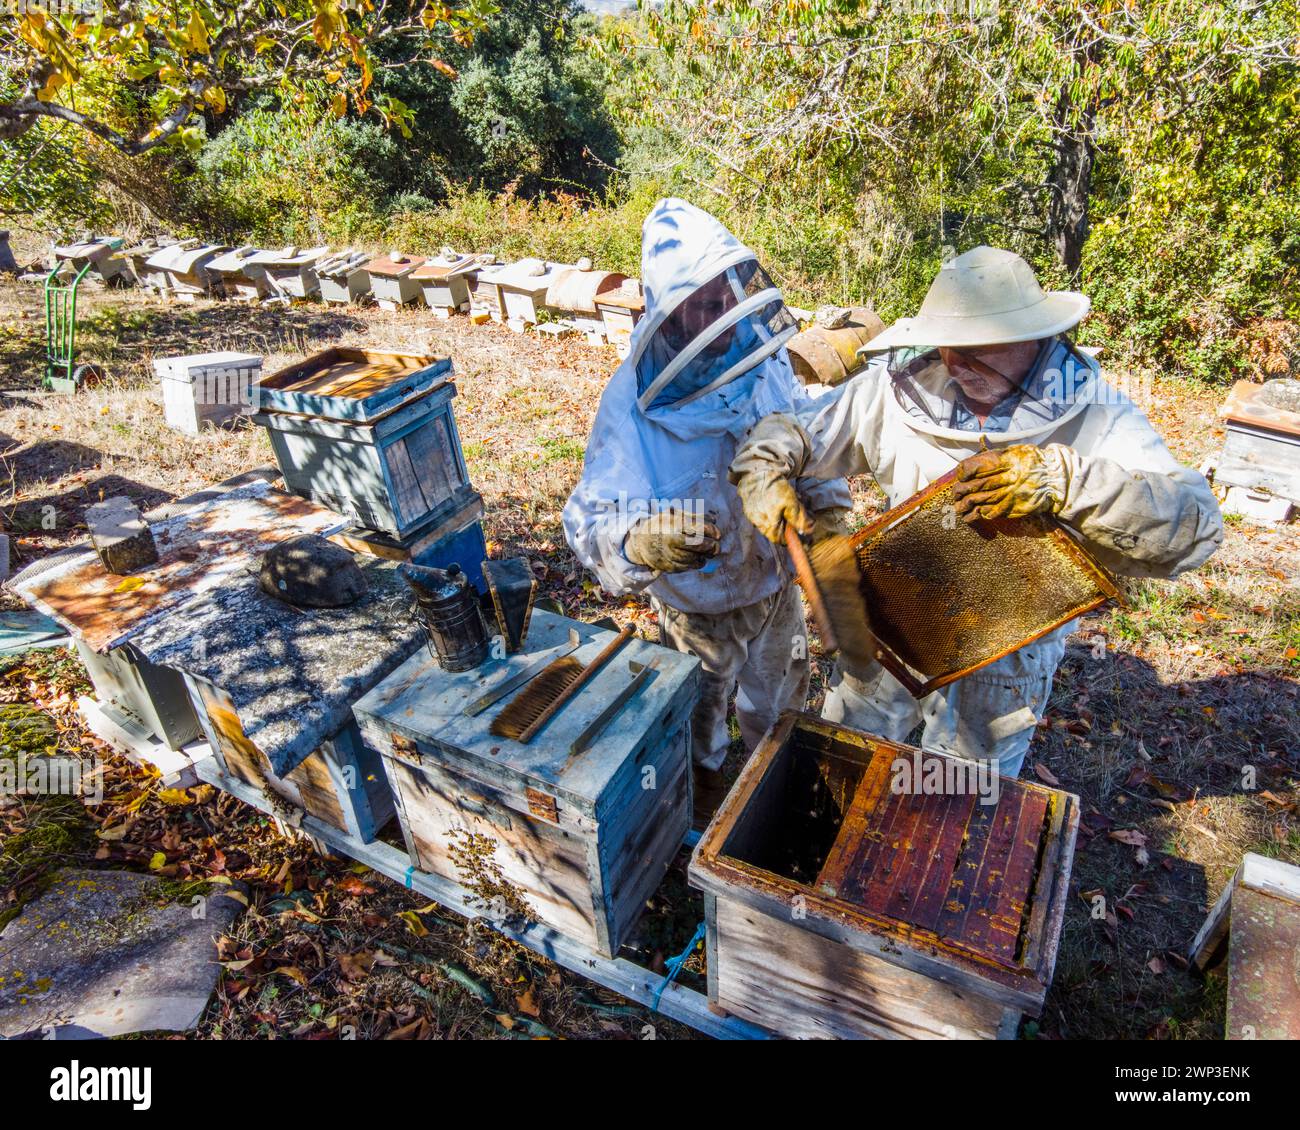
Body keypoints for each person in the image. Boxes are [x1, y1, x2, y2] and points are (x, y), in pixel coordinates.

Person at [728, 245, 1223, 778]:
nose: (955, 364)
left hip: (1005, 651)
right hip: (897, 609)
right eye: (948, 345)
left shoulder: (1093, 408)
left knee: (964, 788)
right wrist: (762, 464)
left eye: (977, 347)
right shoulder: (899, 387)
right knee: (847, 742)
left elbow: (1195, 525)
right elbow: (800, 426)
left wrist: (1066, 481)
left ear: (1031, 337)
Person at [562, 198, 851, 825]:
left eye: (724, 299)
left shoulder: (765, 358)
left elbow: (808, 440)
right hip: (696, 606)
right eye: (701, 305)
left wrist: (825, 512)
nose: (719, 318)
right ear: (665, 310)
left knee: (779, 701)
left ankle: (771, 785)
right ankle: (698, 804)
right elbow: (590, 513)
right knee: (699, 711)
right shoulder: (631, 402)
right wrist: (639, 540)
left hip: (773, 584)